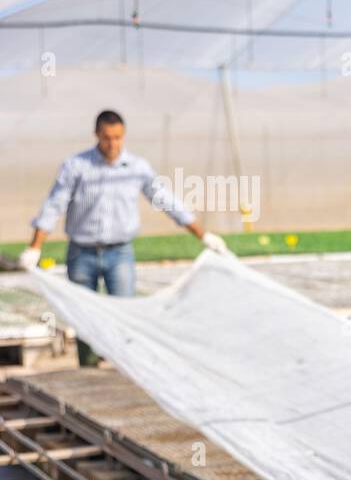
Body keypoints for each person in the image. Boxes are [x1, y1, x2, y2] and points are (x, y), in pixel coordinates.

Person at [19, 109, 229, 366]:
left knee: (124, 313)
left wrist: (203, 234)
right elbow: (54, 205)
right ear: (97, 135)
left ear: (124, 135)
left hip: (119, 253)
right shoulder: (77, 166)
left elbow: (166, 201)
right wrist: (35, 247)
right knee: (85, 316)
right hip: (81, 252)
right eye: (107, 137)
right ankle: (88, 370)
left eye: (118, 137)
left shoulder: (137, 168)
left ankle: (123, 368)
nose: (112, 144)